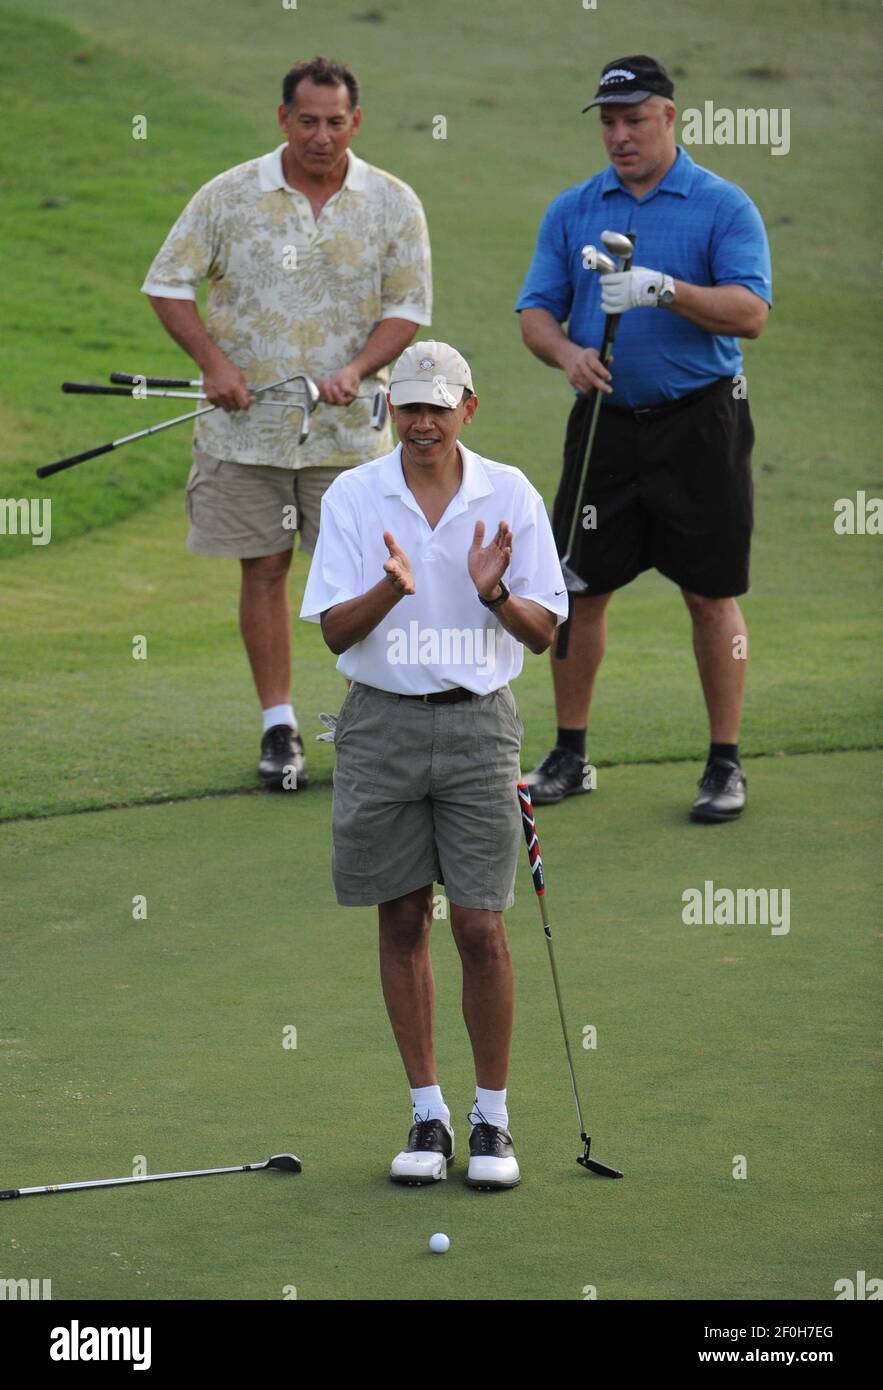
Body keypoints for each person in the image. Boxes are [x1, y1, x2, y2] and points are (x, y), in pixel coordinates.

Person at [300, 341, 567, 1189]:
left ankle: (492, 1122)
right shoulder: (354, 494)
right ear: (389, 411)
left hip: (479, 726)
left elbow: (544, 630)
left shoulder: (510, 492)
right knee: (403, 918)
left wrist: (492, 592)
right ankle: (428, 1113)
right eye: (408, 406)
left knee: (479, 925)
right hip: (378, 726)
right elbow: (335, 631)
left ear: (467, 410)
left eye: (437, 407)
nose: (421, 422)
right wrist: (391, 588)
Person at [141, 56, 432, 789]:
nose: (321, 137)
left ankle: (376, 718)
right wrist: (214, 364)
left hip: (348, 434)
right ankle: (279, 727)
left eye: (335, 122)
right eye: (307, 121)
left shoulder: (393, 203)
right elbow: (167, 283)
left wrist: (360, 368)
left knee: (370, 578)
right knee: (265, 569)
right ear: (283, 119)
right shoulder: (229, 195)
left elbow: (408, 308)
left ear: (355, 123)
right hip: (247, 433)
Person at [516, 55, 771, 821]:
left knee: (709, 592)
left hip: (698, 422)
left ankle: (724, 764)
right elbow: (535, 311)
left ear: (668, 117)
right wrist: (567, 353)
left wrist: (665, 290)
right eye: (608, 123)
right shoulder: (571, 209)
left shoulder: (722, 205)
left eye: (633, 120)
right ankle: (569, 752)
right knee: (577, 588)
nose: (619, 136)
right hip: (602, 422)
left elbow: (749, 314)